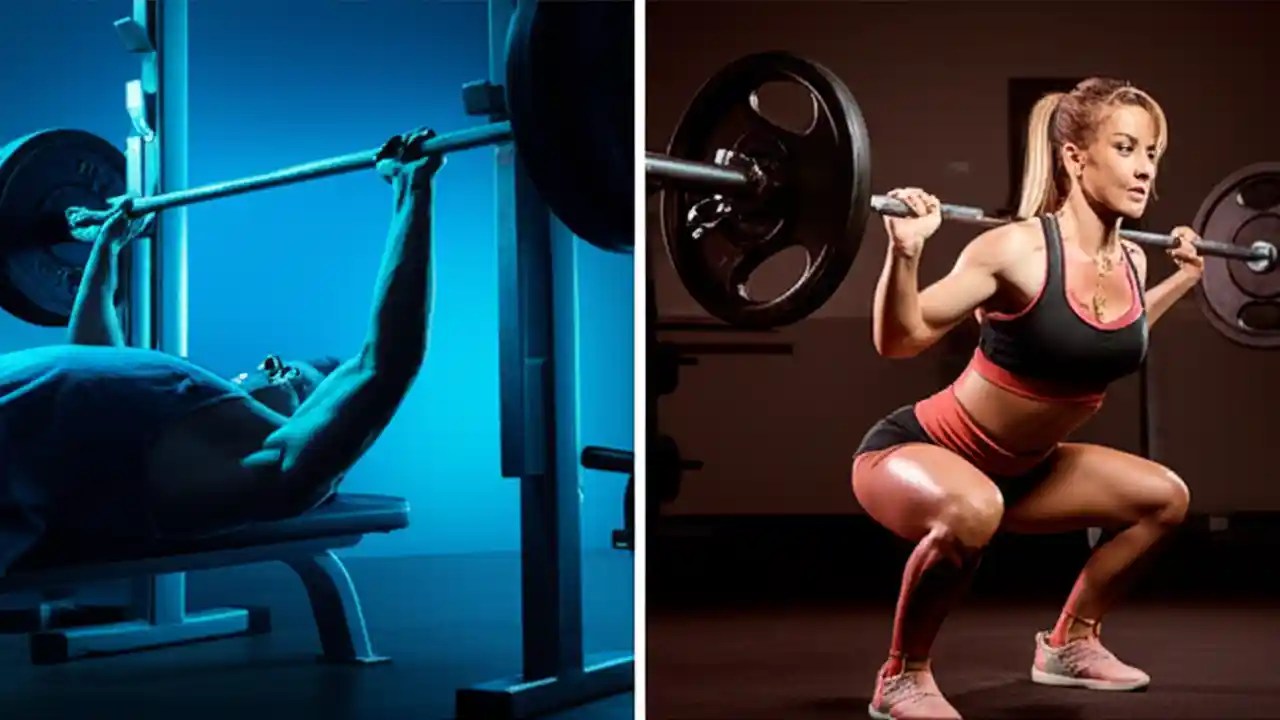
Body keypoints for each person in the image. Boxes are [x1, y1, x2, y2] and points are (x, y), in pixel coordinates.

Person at [851, 78, 1204, 720]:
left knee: (1165, 499)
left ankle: (1070, 643)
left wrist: (1183, 278)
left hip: (1023, 473)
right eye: (1125, 147)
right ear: (1075, 158)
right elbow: (901, 340)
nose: (1145, 167)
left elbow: (1112, 335)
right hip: (917, 452)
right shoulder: (1014, 250)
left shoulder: (1133, 261)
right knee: (971, 509)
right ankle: (903, 676)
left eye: (1152, 152)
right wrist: (905, 255)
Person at [0, 126, 443, 573]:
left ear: (322, 409)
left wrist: (413, 191)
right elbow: (92, 356)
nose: (269, 370)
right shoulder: (185, 407)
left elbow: (385, 364)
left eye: (288, 372)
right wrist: (108, 245)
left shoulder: (279, 470)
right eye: (273, 364)